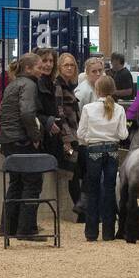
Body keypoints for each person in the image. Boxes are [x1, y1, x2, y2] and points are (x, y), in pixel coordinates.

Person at [0, 53, 45, 240]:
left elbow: (1, 112)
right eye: (39, 67)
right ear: (28, 68)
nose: (42, 71)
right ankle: (26, 229)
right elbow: (27, 113)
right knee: (32, 183)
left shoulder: (12, 84)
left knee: (15, 184)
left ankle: (8, 227)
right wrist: (35, 136)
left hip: (8, 140)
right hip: (22, 140)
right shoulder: (30, 85)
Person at [76, 73, 128, 241]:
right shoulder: (119, 109)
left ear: (96, 89)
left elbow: (80, 133)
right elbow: (123, 134)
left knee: (93, 190)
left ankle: (91, 233)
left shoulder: (88, 108)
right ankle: (108, 232)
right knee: (110, 190)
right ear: (113, 90)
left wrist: (90, 140)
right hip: (112, 151)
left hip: (93, 150)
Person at [53, 53, 83, 217]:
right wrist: (66, 139)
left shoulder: (69, 86)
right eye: (66, 65)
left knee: (77, 172)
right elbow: (60, 113)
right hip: (68, 138)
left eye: (72, 65)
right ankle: (81, 209)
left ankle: (81, 209)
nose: (70, 68)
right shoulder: (58, 86)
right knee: (74, 172)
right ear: (60, 68)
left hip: (75, 134)